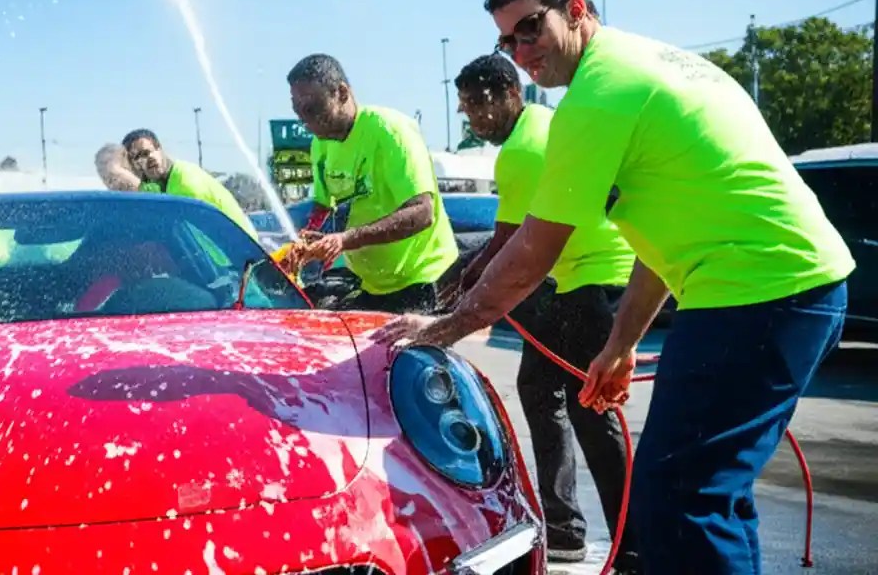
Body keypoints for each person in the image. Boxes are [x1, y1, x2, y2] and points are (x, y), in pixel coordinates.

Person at [378, 0, 854, 574]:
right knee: (710, 495)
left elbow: (531, 250)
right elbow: (661, 243)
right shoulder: (647, 64)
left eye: (530, 29)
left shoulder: (598, 95)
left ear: (576, 10)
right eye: (506, 41)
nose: (521, 52)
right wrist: (622, 344)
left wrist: (444, 326)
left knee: (681, 499)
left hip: (759, 296)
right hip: (791, 290)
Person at [453, 53, 639, 569]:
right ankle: (564, 529)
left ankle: (635, 543)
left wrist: (458, 297)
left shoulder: (521, 149)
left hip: (593, 277)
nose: (472, 118)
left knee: (592, 409)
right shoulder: (537, 124)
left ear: (510, 92)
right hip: (579, 277)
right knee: (539, 389)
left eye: (477, 105)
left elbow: (509, 246)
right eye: (465, 107)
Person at [287, 53, 460, 314]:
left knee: (405, 354)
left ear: (342, 93)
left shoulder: (391, 131)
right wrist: (306, 242)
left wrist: (345, 239)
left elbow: (423, 212)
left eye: (312, 110)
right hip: (374, 283)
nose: (306, 123)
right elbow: (323, 208)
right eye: (298, 113)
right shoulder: (320, 144)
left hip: (425, 279)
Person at [122, 129, 257, 238]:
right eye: (137, 157)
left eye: (147, 152)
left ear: (159, 149)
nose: (147, 159)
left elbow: (170, 231)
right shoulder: (156, 184)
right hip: (225, 257)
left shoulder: (186, 183)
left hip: (239, 256)